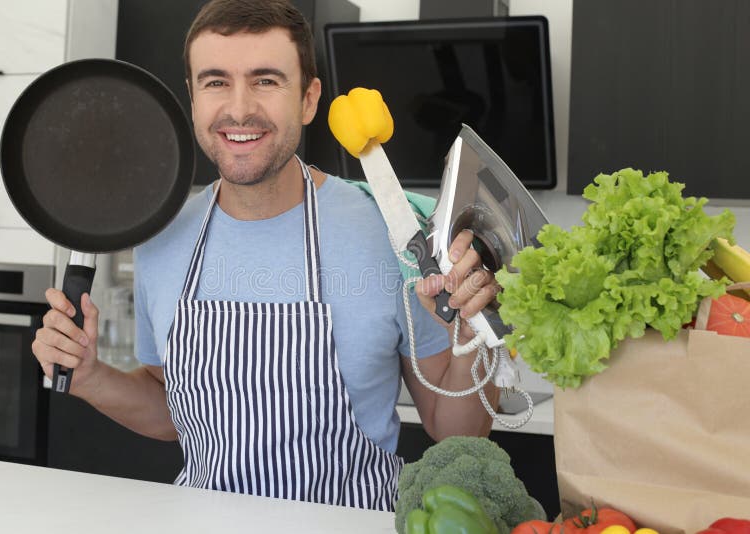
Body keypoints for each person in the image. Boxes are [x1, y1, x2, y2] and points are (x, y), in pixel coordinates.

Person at [32, 0, 500, 512]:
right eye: (215, 82)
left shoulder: (392, 233)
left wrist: (472, 331)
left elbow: (455, 427)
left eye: (266, 80)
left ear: (308, 98)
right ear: (192, 96)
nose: (239, 109)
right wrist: (91, 377)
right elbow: (174, 411)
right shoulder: (162, 238)